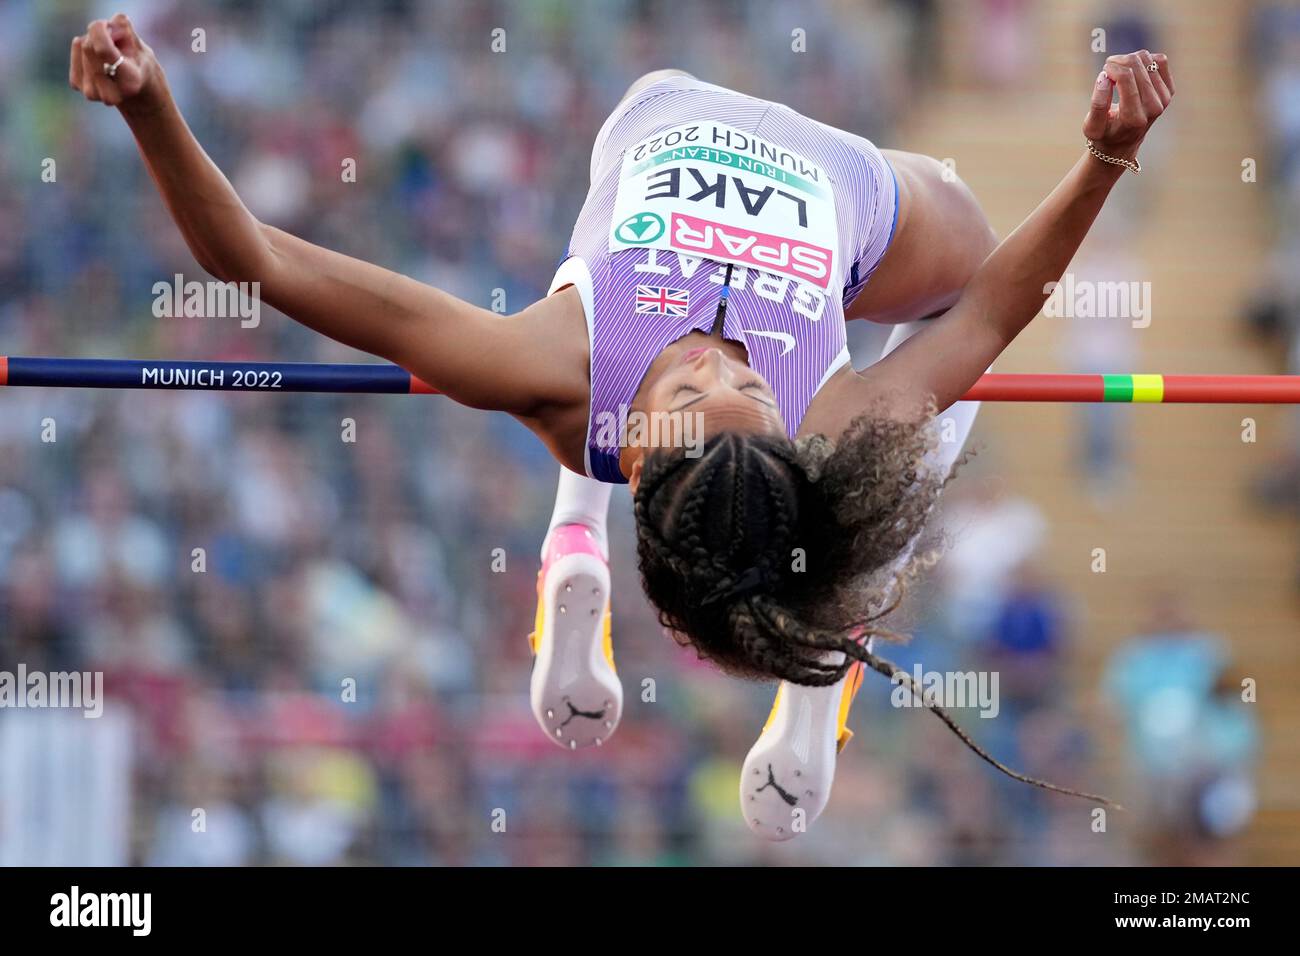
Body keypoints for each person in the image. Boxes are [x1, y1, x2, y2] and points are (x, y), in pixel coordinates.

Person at [69, 14, 1172, 838]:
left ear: (639, 454)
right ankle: (826, 645)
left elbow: (256, 257)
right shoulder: (821, 419)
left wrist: (150, 105)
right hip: (853, 189)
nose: (717, 357)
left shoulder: (554, 367)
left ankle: (572, 537)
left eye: (695, 394)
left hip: (664, 107)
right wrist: (1105, 157)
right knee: (949, 300)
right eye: (741, 388)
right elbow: (989, 308)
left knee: (586, 331)